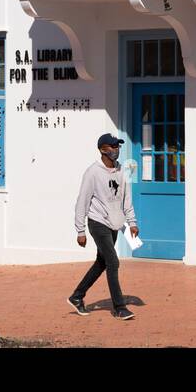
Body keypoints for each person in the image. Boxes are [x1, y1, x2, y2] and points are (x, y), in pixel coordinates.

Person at [69, 133, 140, 320]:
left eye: (118, 146)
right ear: (102, 150)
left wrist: (132, 223)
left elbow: (127, 199)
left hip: (114, 223)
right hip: (97, 222)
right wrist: (80, 230)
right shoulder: (92, 172)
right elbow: (82, 202)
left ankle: (77, 296)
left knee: (101, 263)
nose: (116, 149)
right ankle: (119, 307)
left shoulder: (122, 171)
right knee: (113, 262)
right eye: (112, 146)